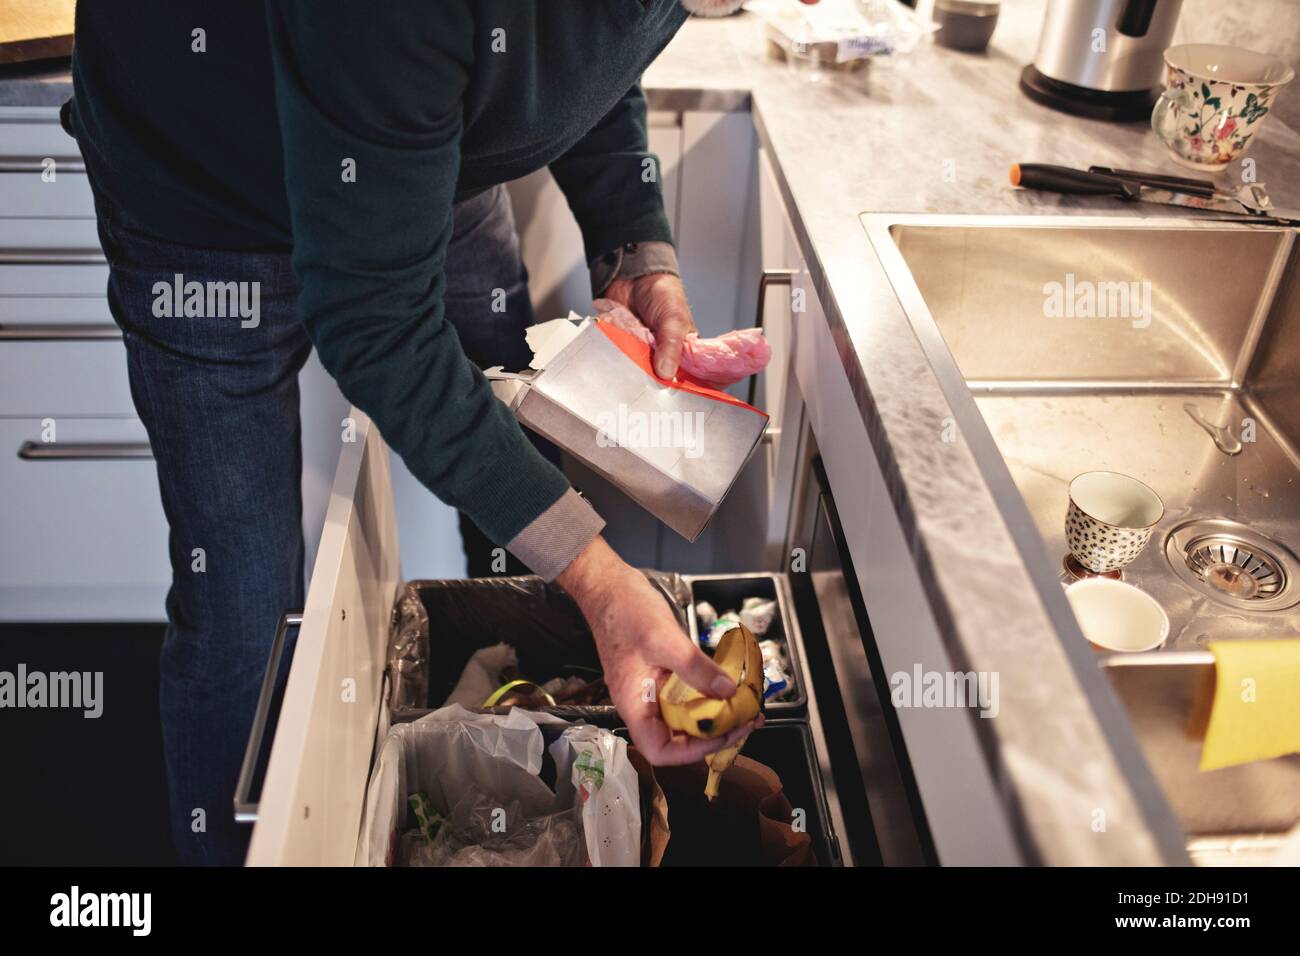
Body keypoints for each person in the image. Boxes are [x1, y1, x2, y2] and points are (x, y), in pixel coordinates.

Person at [67, 0, 751, 865]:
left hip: (423, 150)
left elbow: (588, 48)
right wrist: (603, 584)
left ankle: (516, 701)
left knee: (521, 468)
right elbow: (377, 327)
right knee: (238, 603)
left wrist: (636, 250)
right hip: (205, 189)